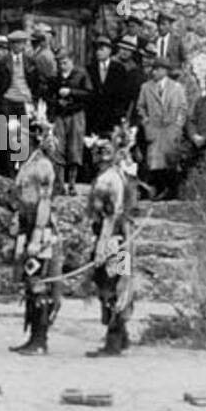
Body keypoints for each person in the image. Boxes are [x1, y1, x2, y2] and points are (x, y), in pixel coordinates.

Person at [9, 102, 60, 355]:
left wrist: (36, 236)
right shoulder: (26, 164)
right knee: (30, 281)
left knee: (38, 281)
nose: (14, 142)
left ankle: (40, 340)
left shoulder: (42, 166)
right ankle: (33, 337)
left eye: (19, 138)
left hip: (40, 230)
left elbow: (44, 202)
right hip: (27, 225)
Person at [85, 129, 137, 357]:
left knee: (110, 286)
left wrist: (100, 247)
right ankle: (121, 336)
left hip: (112, 239)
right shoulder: (119, 176)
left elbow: (108, 216)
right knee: (116, 284)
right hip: (122, 238)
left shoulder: (107, 181)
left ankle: (114, 341)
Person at [135, 56, 187, 200]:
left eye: (157, 69)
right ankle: (156, 189)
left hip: (170, 130)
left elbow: (183, 109)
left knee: (170, 160)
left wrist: (178, 126)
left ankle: (171, 191)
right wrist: (146, 122)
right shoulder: (146, 87)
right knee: (154, 161)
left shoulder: (176, 87)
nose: (154, 72)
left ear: (165, 71)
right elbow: (140, 107)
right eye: (153, 69)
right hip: (154, 129)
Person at [50, 51, 92, 189]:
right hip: (60, 115)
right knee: (58, 148)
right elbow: (49, 95)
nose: (62, 66)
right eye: (60, 63)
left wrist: (71, 92)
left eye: (65, 63)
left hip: (76, 114)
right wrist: (56, 102)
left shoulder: (81, 75)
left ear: (72, 62)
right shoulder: (55, 77)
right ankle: (60, 183)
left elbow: (89, 94)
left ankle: (72, 183)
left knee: (75, 148)